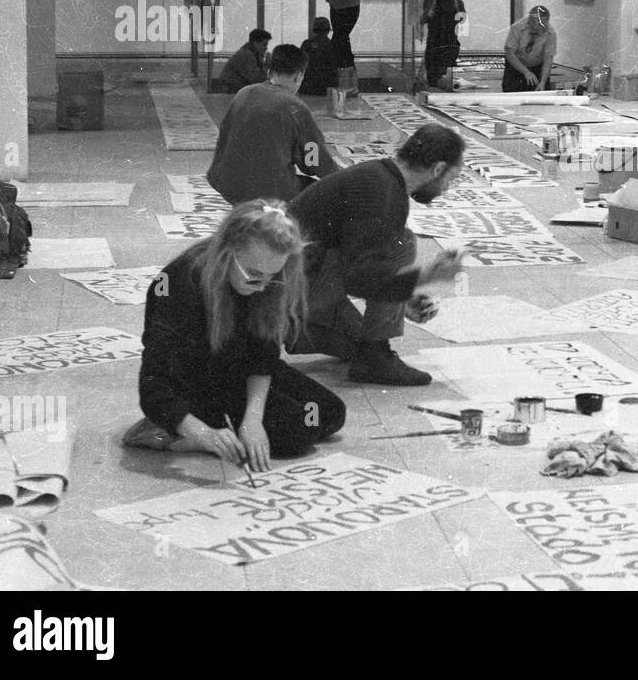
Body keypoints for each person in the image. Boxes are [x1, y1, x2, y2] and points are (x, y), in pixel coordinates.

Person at [124, 203, 345, 467]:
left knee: (329, 413)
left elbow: (264, 357)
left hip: (236, 368)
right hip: (194, 379)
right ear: (228, 253)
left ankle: (216, 426)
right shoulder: (180, 283)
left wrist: (253, 420)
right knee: (295, 433)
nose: (262, 286)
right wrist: (204, 434)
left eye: (272, 277)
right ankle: (173, 430)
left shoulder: (267, 281)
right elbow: (154, 383)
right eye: (253, 275)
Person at [287, 124, 465, 386]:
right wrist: (426, 276)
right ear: (437, 169)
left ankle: (307, 332)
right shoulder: (381, 192)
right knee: (402, 242)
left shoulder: (380, 176)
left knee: (358, 346)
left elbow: (357, 257)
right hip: (291, 290)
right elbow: (361, 276)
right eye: (451, 178)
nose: (447, 188)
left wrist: (402, 298)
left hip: (294, 288)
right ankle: (375, 357)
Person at [207, 44, 340, 205]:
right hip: (267, 192)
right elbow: (314, 162)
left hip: (227, 184)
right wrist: (342, 176)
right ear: (299, 76)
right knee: (318, 192)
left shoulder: (244, 93)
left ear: (270, 70)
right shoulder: (295, 107)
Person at [502, 5, 556, 92]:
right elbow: (509, 52)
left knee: (540, 94)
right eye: (533, 22)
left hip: (537, 66)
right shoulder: (517, 28)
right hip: (516, 65)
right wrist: (526, 72)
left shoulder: (550, 33)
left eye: (540, 23)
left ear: (546, 22)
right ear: (529, 19)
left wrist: (543, 82)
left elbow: (548, 59)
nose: (536, 26)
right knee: (512, 94)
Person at [421, 0, 467, 91]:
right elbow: (462, 19)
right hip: (444, 43)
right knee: (439, 77)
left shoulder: (435, 3)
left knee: (439, 78)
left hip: (442, 43)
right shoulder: (437, 3)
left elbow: (423, 19)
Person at [216, 28, 271, 94]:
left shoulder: (250, 53)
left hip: (233, 89)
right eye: (264, 45)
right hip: (230, 92)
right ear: (255, 43)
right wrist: (266, 65)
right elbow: (257, 82)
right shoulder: (247, 55)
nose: (266, 48)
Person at [299, 17, 340, 97]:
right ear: (328, 30)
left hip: (307, 88)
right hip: (327, 90)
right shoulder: (333, 45)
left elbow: (299, 65)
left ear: (314, 29)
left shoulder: (306, 44)